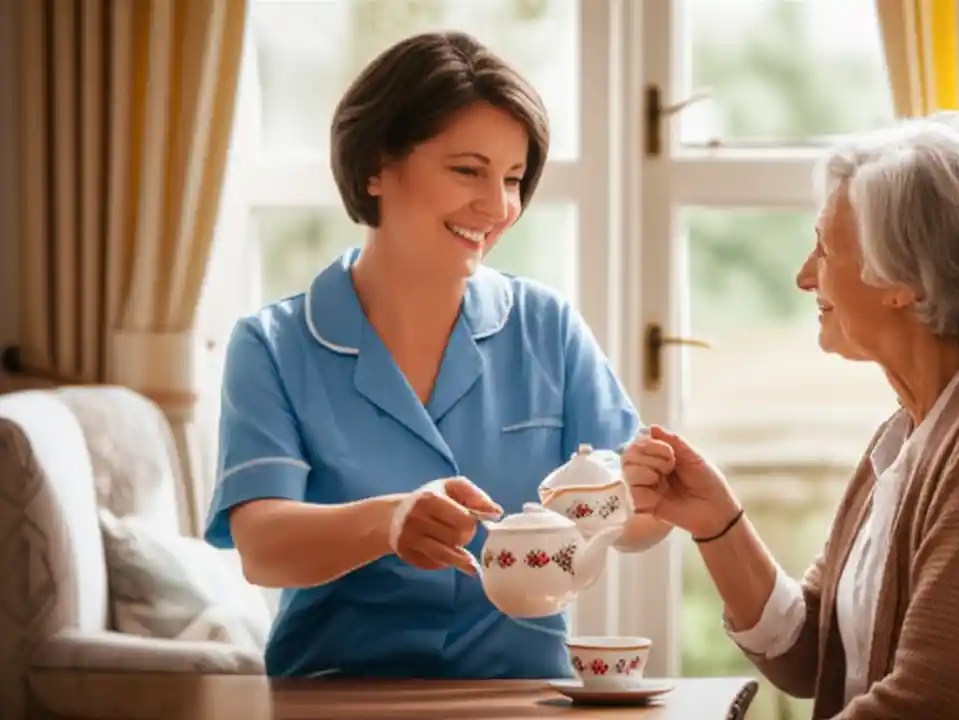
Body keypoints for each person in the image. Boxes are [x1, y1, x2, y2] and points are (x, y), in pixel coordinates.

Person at [623, 112, 959, 719]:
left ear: (905, 280)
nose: (805, 276)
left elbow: (923, 705)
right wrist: (716, 522)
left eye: (825, 249)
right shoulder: (915, 429)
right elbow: (811, 655)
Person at [204, 31, 670, 680]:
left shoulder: (547, 326)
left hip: (525, 695)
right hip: (334, 697)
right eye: (467, 170)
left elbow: (630, 518)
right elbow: (262, 547)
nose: (498, 205)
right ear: (375, 166)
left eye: (512, 178)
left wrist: (655, 491)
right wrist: (388, 521)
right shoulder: (274, 344)